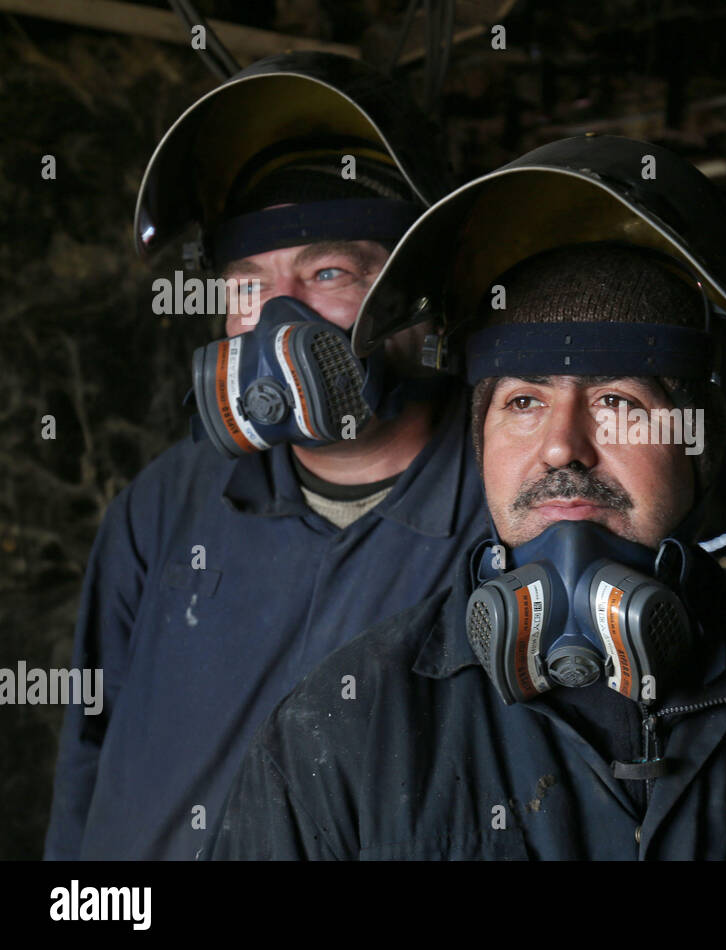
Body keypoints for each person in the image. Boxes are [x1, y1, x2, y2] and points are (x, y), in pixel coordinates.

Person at [206, 135, 726, 860]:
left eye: (619, 402)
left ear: (700, 446)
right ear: (481, 440)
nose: (562, 446)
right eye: (523, 403)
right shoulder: (344, 723)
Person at [44, 53, 488, 860]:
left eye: (326, 273)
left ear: (423, 292)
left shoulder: (504, 525)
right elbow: (88, 757)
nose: (280, 321)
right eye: (248, 287)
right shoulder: (168, 503)